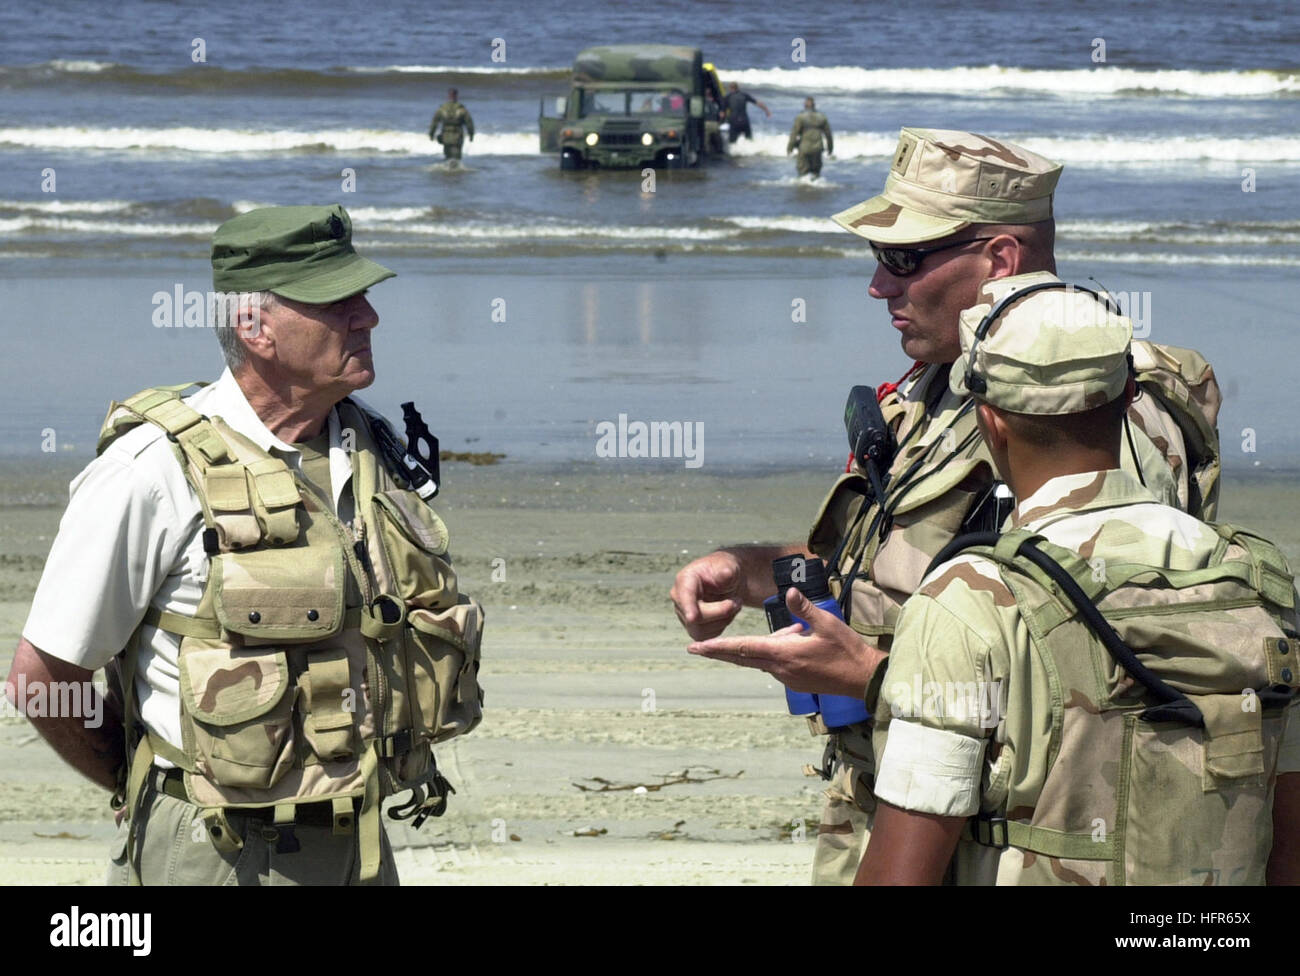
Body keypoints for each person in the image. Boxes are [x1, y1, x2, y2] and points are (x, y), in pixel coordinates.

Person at [672, 127, 1222, 885]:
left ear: (999, 260)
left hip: (1005, 838)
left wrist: (869, 675)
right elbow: (907, 570)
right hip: (892, 791)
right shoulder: (941, 384)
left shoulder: (1092, 402)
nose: (878, 287)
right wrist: (754, 573)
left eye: (903, 260)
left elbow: (1121, 663)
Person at [5, 204, 484, 885]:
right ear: (254, 326)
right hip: (217, 852)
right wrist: (136, 781)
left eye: (364, 297)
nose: (367, 317)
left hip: (361, 844)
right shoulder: (152, 472)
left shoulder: (369, 447)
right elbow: (42, 679)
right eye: (336, 301)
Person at [856, 282, 1300, 885]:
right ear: (1129, 400)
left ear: (990, 421)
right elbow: (1288, 844)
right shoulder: (1261, 581)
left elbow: (900, 874)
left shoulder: (969, 601)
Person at [786, 97, 832, 178]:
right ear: (814, 105)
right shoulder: (822, 117)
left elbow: (794, 134)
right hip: (818, 148)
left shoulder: (800, 117)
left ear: (804, 106)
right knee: (816, 173)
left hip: (804, 148)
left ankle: (804, 188)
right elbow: (828, 134)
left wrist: (790, 148)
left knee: (802, 173)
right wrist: (830, 148)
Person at [429, 88, 475, 162]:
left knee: (447, 156)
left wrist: (431, 134)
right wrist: (471, 135)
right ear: (456, 95)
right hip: (457, 137)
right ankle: (454, 172)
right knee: (457, 158)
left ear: (448, 96)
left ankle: (448, 171)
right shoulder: (461, 109)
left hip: (446, 136)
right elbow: (469, 123)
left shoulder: (442, 109)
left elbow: (434, 123)